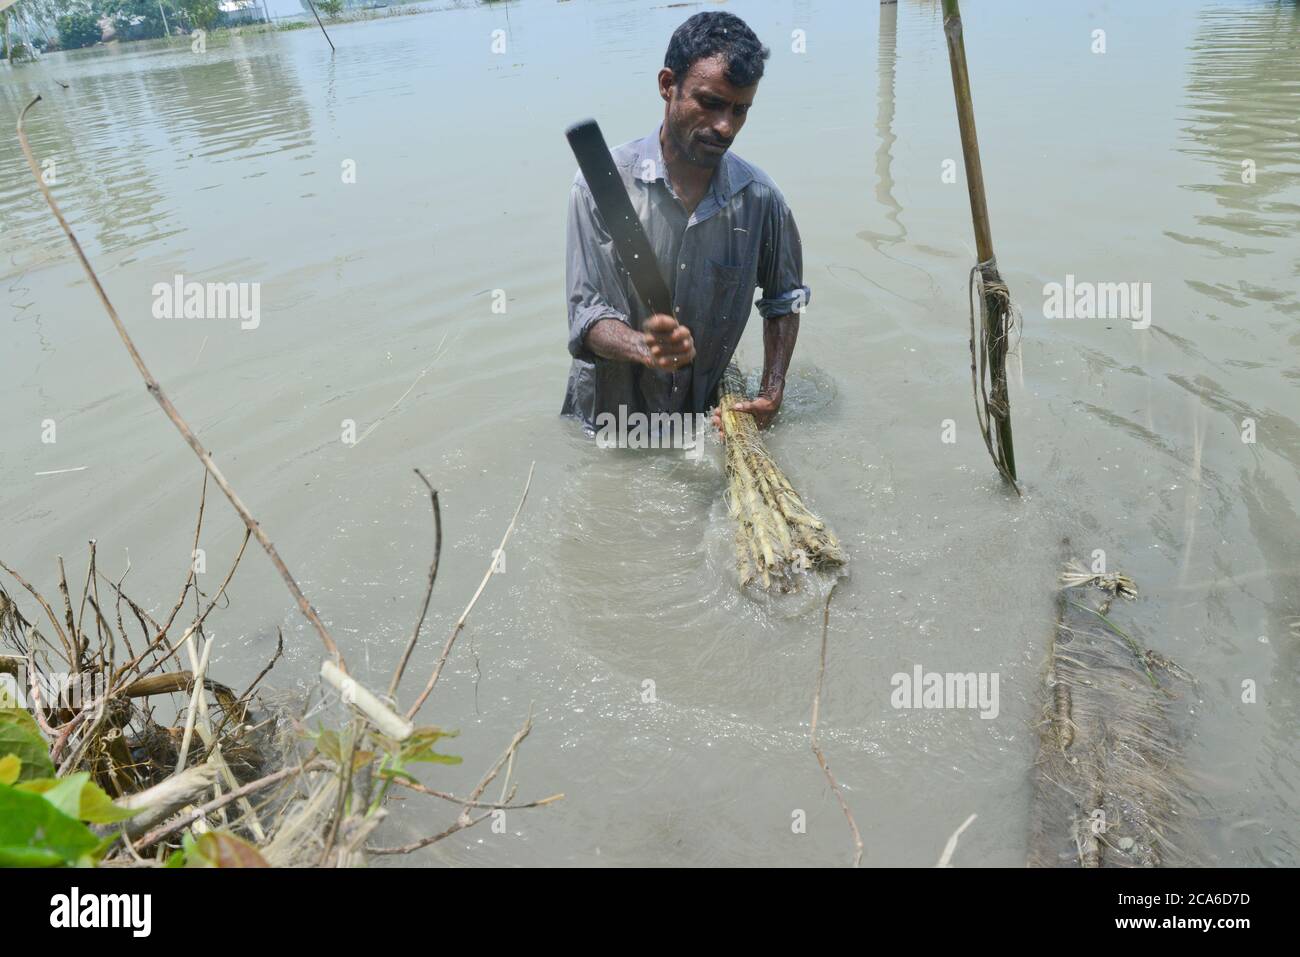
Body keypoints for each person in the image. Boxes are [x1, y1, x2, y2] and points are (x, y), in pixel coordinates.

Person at [561, 11, 810, 435]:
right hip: (609, 423)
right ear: (666, 85)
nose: (725, 126)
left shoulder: (761, 199)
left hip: (702, 419)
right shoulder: (601, 187)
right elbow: (586, 318)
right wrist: (643, 346)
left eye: (740, 110)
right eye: (710, 103)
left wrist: (772, 391)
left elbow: (785, 301)